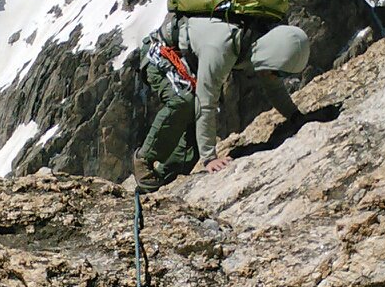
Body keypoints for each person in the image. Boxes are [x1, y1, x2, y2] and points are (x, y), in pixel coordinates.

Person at [133, 15, 310, 192]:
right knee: (185, 100)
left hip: (188, 60)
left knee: (194, 137)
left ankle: (162, 180)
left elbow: (274, 87)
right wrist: (209, 158)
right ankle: (143, 160)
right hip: (160, 50)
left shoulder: (261, 42)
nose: (276, 77)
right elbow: (205, 101)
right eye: (279, 73)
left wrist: (295, 116)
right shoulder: (222, 46)